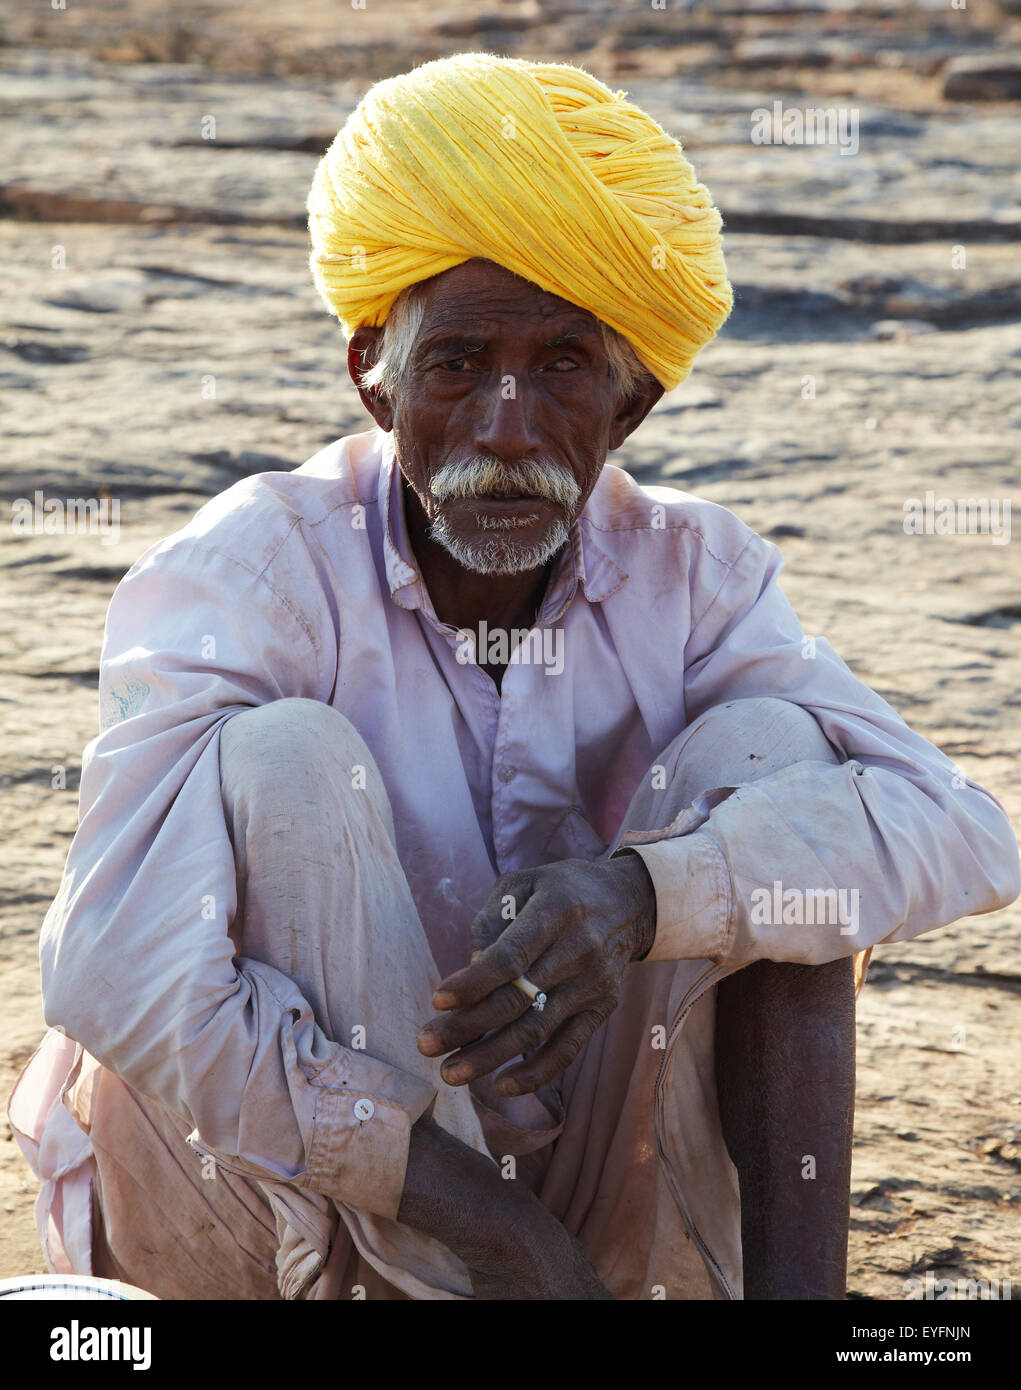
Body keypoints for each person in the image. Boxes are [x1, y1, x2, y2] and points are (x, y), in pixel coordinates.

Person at [9, 54, 1019, 1302]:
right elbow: (113, 969)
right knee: (286, 759)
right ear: (370, 375)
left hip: (576, 1216)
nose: (505, 427)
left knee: (778, 776)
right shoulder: (252, 570)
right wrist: (474, 1213)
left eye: (559, 370)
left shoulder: (693, 576)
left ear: (628, 405)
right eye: (456, 367)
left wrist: (648, 894)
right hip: (250, 1218)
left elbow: (963, 832)